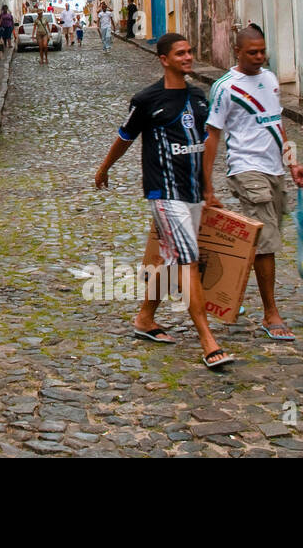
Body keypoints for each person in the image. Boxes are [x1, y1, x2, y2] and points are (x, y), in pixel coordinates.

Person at [94, 33, 234, 370]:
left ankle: (145, 318)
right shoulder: (146, 100)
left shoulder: (199, 98)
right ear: (164, 59)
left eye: (189, 51)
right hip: (164, 194)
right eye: (181, 53)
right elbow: (124, 139)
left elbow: (204, 146)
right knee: (188, 261)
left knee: (166, 260)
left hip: (192, 193)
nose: (188, 57)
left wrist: (209, 190)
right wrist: (103, 169)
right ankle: (207, 341)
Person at [202, 25, 303, 341]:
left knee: (258, 240)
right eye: (253, 52)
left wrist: (292, 164)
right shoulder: (226, 87)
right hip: (246, 168)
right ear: (238, 51)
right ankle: (271, 314)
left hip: (274, 169)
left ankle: (224, 294)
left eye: (263, 50)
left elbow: (277, 123)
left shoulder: (271, 79)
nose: (260, 56)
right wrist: (207, 185)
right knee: (266, 243)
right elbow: (213, 134)